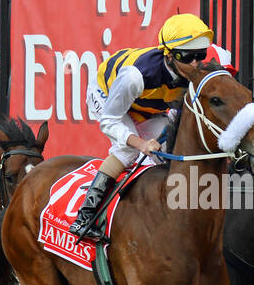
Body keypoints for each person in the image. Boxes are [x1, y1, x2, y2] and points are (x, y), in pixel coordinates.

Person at [70, 13, 217, 240]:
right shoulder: (136, 76)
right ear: (169, 55)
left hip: (144, 106)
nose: (196, 64)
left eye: (200, 55)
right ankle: (85, 216)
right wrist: (140, 143)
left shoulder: (191, 73)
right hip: (107, 94)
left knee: (172, 150)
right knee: (126, 150)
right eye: (188, 57)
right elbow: (110, 121)